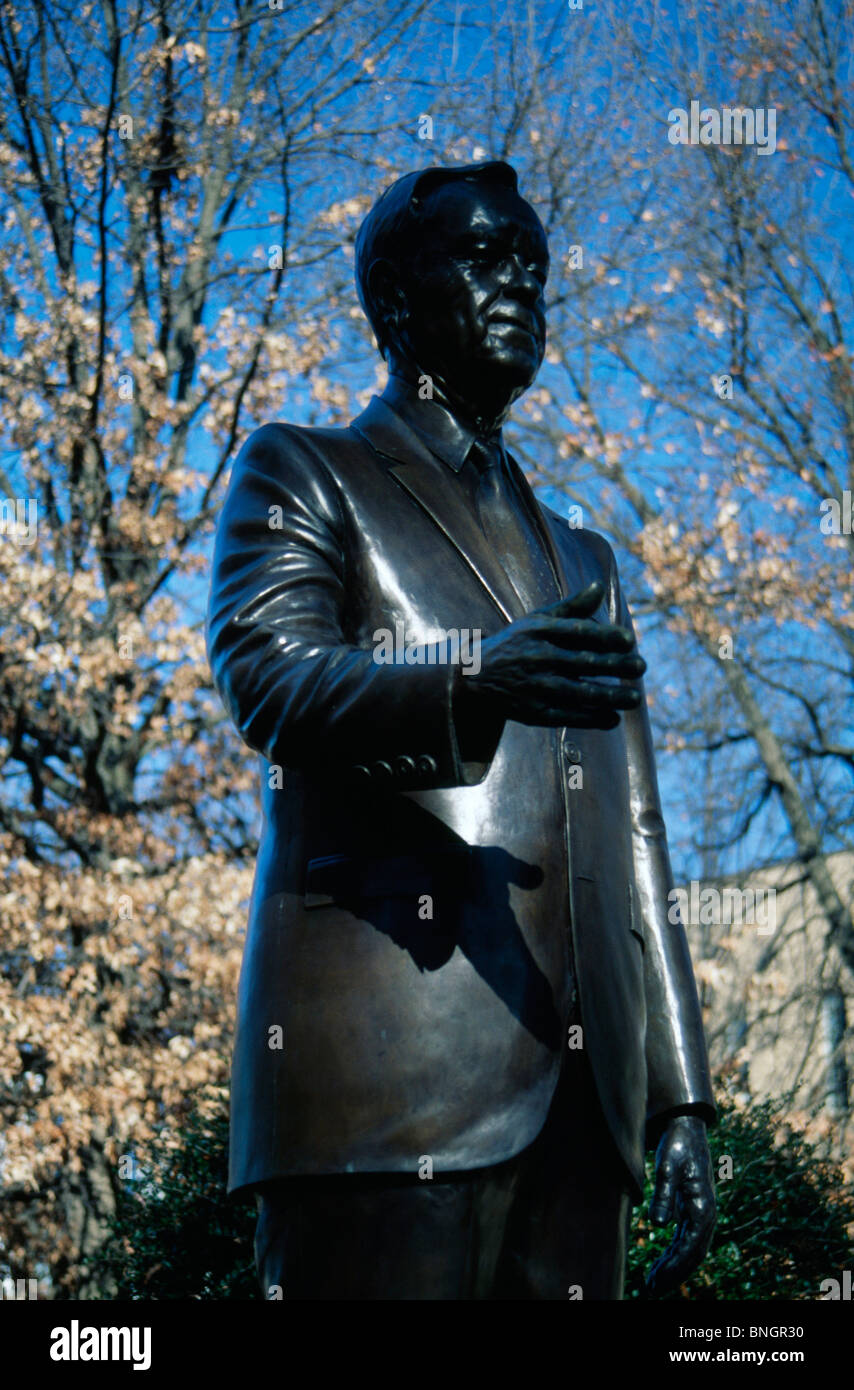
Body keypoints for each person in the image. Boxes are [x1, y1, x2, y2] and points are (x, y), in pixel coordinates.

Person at [206, 160, 716, 1300]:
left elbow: (636, 837)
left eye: (532, 267)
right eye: (484, 258)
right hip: (385, 1084)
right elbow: (271, 680)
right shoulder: (304, 469)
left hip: (586, 1116)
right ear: (393, 298)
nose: (520, 286)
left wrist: (678, 1094)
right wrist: (472, 688)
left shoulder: (584, 562)